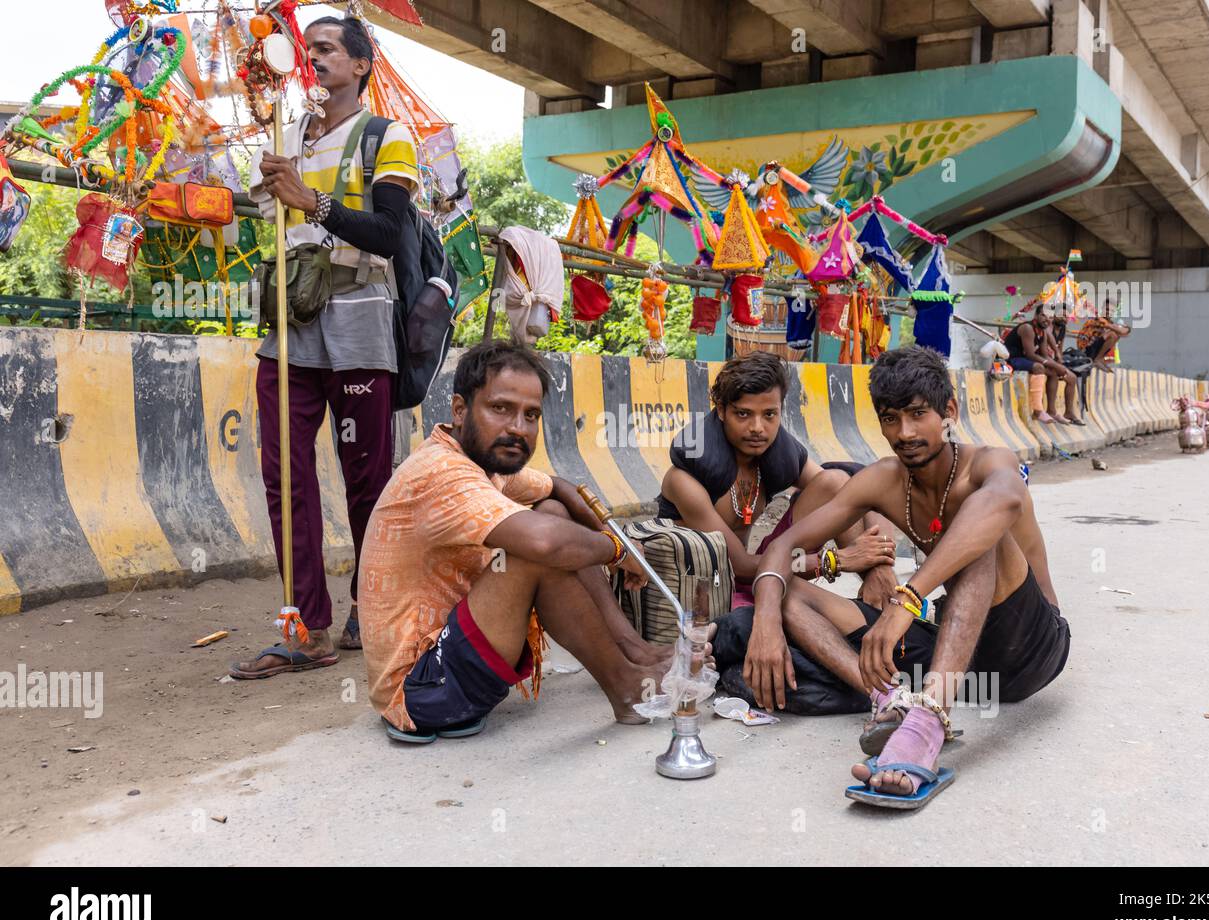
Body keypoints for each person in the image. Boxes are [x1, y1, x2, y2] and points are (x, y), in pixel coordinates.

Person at [746, 346, 1070, 805]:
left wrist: (907, 598)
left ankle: (927, 723)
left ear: (949, 412)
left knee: (979, 525)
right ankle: (888, 702)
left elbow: (1005, 501)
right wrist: (764, 623)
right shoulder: (884, 479)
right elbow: (781, 547)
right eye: (891, 418)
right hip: (961, 648)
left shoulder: (989, 462)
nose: (905, 432)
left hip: (1031, 647)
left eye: (919, 414)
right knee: (790, 592)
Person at [358, 341, 682, 742]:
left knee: (552, 515)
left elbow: (560, 488)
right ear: (460, 411)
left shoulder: (481, 461)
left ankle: (634, 651)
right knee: (538, 548)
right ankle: (628, 689)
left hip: (452, 657)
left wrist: (616, 539)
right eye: (500, 409)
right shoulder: (441, 472)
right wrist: (619, 551)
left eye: (531, 415)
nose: (518, 428)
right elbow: (545, 545)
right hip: (421, 690)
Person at [231, 16, 417, 677]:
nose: (314, 58)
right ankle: (304, 627)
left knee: (366, 480)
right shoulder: (288, 135)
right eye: (308, 50)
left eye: (328, 49)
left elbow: (389, 234)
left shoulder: (386, 136)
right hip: (291, 320)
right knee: (284, 473)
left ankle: (374, 602)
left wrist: (312, 200)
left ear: (363, 64)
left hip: (361, 320)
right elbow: (262, 222)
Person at [655, 351, 895, 609]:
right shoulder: (685, 480)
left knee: (835, 481)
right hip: (706, 590)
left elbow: (849, 491)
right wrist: (837, 560)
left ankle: (878, 592)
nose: (758, 427)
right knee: (784, 613)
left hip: (761, 570)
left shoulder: (775, 455)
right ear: (722, 411)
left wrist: (878, 564)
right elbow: (738, 565)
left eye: (769, 415)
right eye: (743, 414)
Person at [1005, 304, 1084, 425]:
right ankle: (1037, 410)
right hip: (1012, 359)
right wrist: (1054, 364)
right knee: (1039, 367)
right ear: (1036, 315)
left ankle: (1052, 411)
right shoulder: (1027, 328)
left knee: (1053, 373)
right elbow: (1030, 355)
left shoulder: (1042, 331)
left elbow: (1044, 354)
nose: (1047, 319)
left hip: (1025, 359)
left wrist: (1057, 367)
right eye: (1043, 315)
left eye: (1050, 316)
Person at [1076, 301, 1131, 373]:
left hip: (1094, 350)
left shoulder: (1109, 323)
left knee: (1116, 334)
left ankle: (1099, 359)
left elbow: (1125, 333)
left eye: (1112, 311)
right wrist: (1123, 329)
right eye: (1107, 309)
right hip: (1086, 351)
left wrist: (1127, 329)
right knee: (1113, 334)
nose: (1109, 312)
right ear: (1103, 309)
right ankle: (1098, 359)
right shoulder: (1099, 320)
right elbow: (1121, 331)